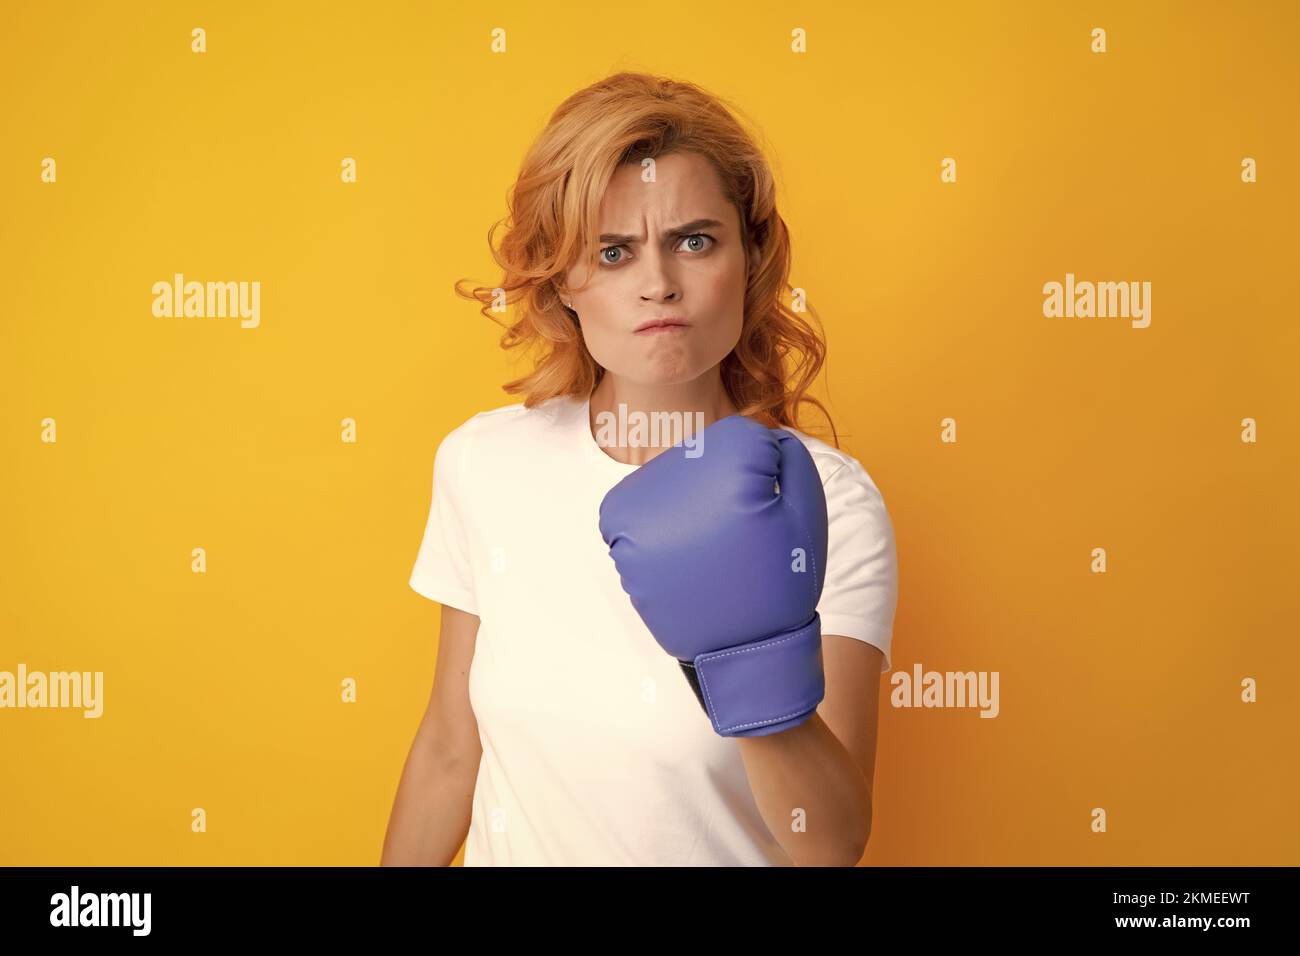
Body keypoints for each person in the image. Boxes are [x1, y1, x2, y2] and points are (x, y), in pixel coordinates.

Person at [381, 72, 898, 867]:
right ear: (562, 280)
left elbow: (830, 845)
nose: (658, 285)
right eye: (613, 252)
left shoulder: (828, 500)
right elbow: (451, 748)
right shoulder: (483, 464)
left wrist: (750, 661)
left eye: (695, 241)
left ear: (752, 258)